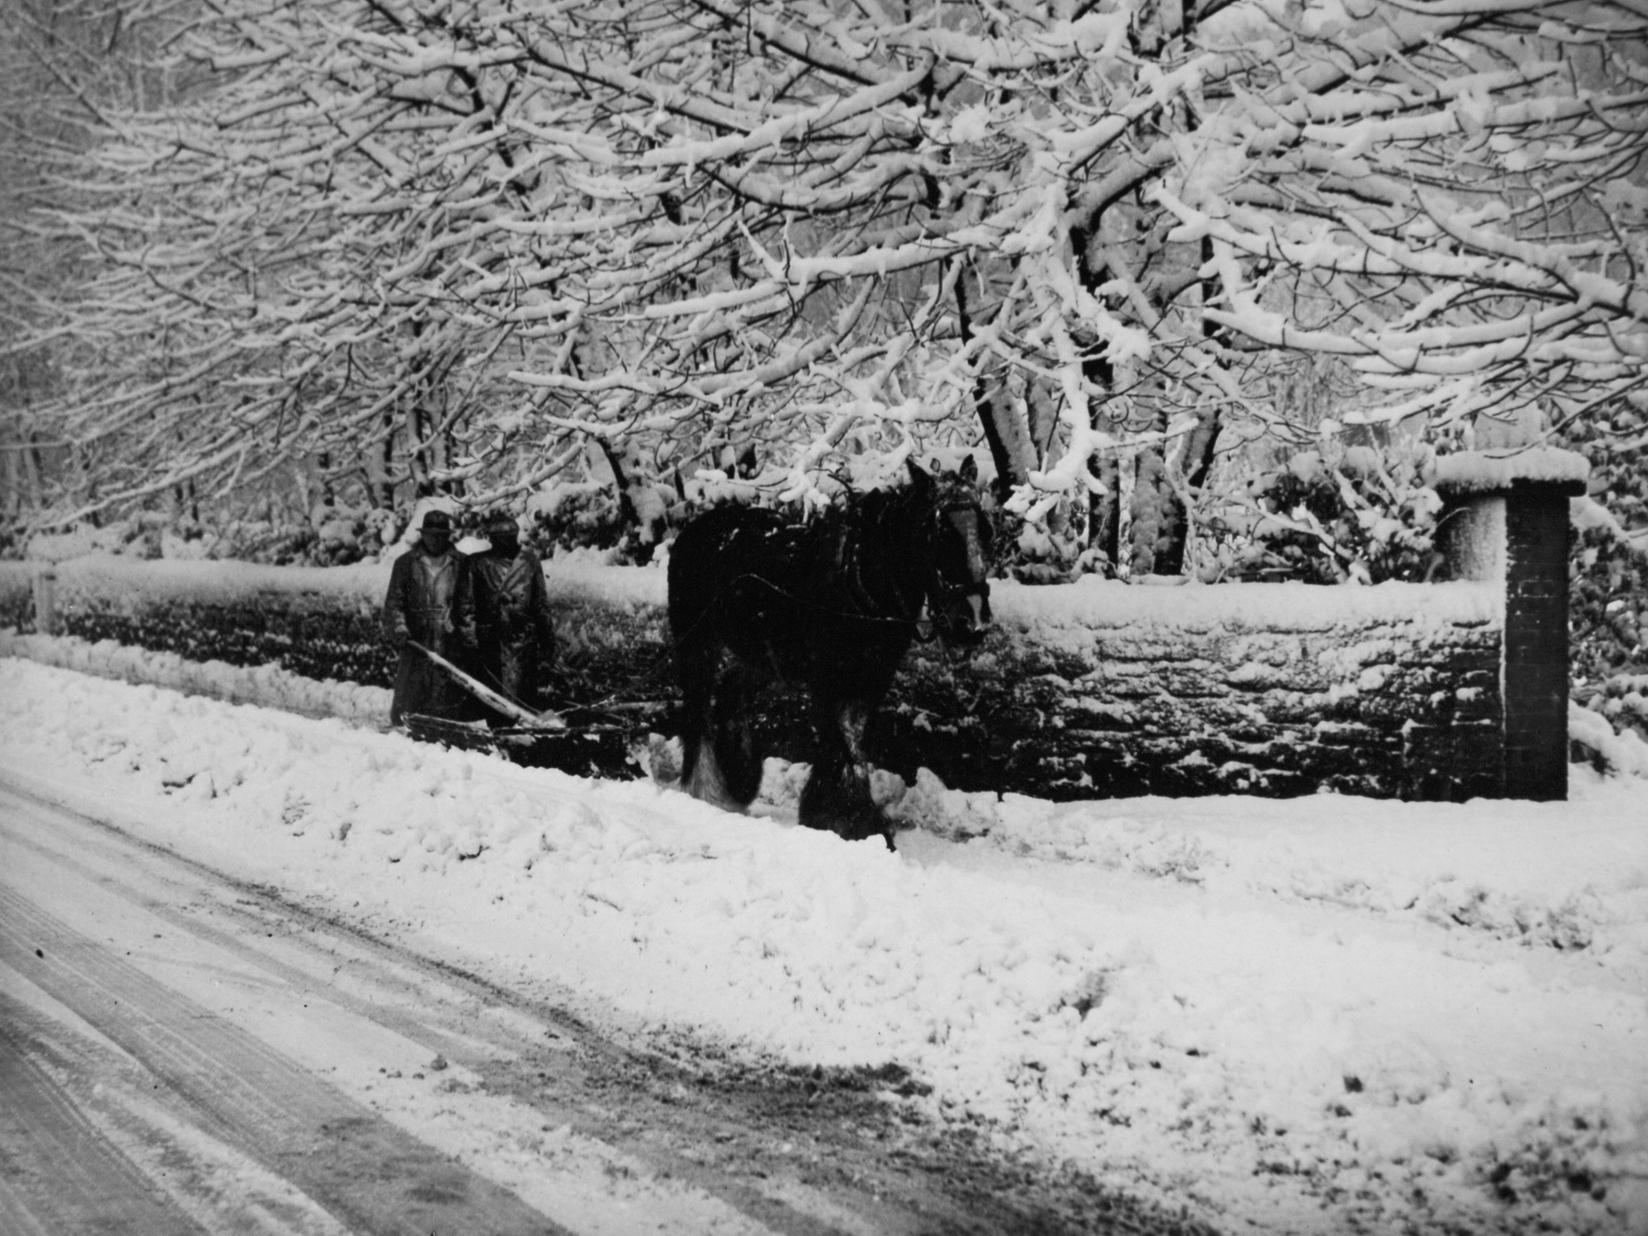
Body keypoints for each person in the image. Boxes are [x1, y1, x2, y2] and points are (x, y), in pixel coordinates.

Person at [456, 511, 557, 722]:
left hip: (521, 641)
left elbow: (540, 604)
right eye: (500, 539)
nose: (506, 543)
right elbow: (466, 607)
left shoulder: (529, 561)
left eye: (510, 537)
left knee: (522, 694)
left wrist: (547, 639)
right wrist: (470, 641)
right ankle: (494, 733)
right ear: (491, 539)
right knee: (491, 695)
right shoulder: (476, 563)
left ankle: (522, 736)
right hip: (489, 642)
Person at [382, 508, 467, 726]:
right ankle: (406, 726)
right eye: (431, 534)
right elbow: (394, 602)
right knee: (413, 689)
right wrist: (400, 628)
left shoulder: (463, 564)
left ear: (448, 536)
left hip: (450, 639)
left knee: (448, 689)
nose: (436, 539)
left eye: (441, 535)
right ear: (423, 534)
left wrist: (462, 628)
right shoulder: (405, 563)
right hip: (417, 638)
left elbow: (470, 603)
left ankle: (448, 729)